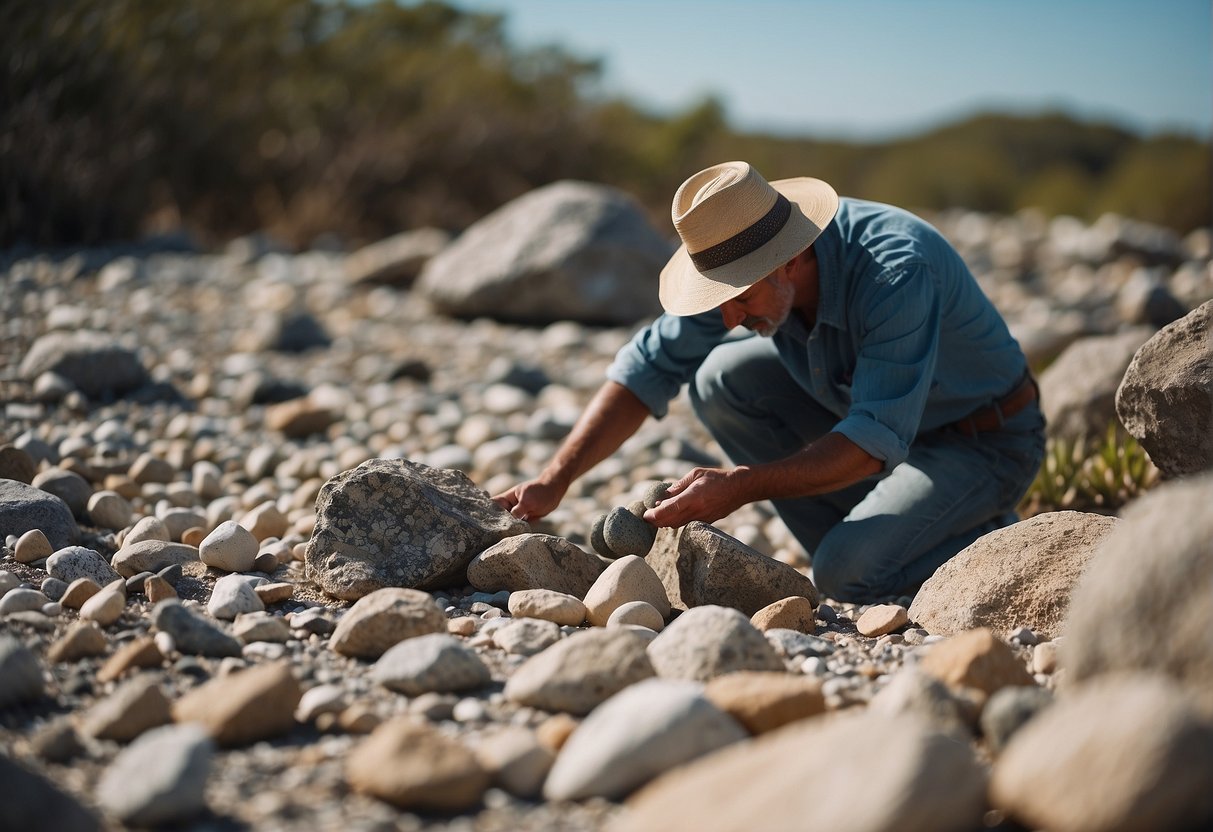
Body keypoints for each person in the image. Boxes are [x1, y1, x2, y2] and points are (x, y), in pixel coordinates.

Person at [493, 160, 1045, 603]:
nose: (729, 318)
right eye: (720, 300)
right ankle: (886, 530)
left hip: (982, 442)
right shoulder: (742, 258)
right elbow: (649, 367)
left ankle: (999, 538)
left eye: (741, 299)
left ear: (793, 258)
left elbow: (873, 436)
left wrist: (741, 486)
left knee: (844, 575)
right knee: (719, 378)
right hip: (883, 431)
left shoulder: (894, 271)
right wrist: (554, 478)